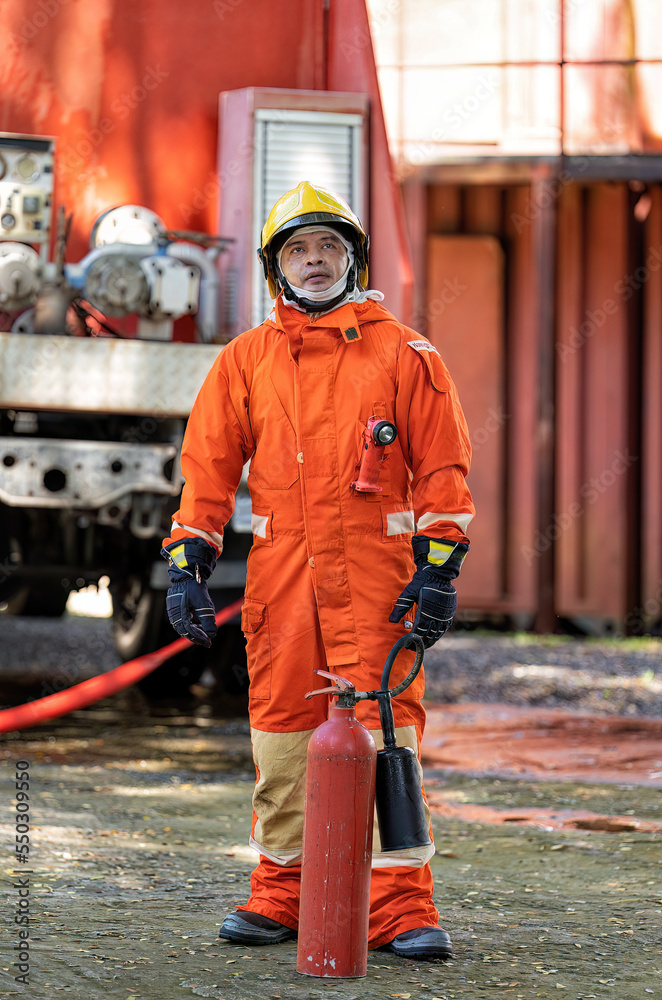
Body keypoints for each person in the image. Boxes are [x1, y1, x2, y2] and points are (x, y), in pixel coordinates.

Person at [161, 181, 474, 960]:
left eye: (327, 247)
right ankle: (282, 890)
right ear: (276, 268)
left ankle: (399, 906)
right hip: (283, 582)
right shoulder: (245, 361)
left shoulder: (406, 353)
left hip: (376, 581)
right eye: (297, 250)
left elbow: (444, 471)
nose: (313, 262)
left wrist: (438, 572)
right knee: (282, 730)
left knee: (386, 731)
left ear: (353, 258)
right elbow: (207, 469)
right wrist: (186, 563)